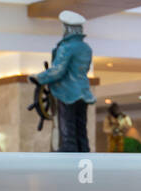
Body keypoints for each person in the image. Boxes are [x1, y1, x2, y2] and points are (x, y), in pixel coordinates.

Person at [33, 10, 95, 153]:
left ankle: (69, 151)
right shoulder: (86, 48)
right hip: (83, 91)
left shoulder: (66, 48)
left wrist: (39, 78)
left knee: (68, 127)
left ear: (67, 29)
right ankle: (84, 153)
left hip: (67, 92)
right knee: (81, 128)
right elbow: (83, 69)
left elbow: (58, 70)